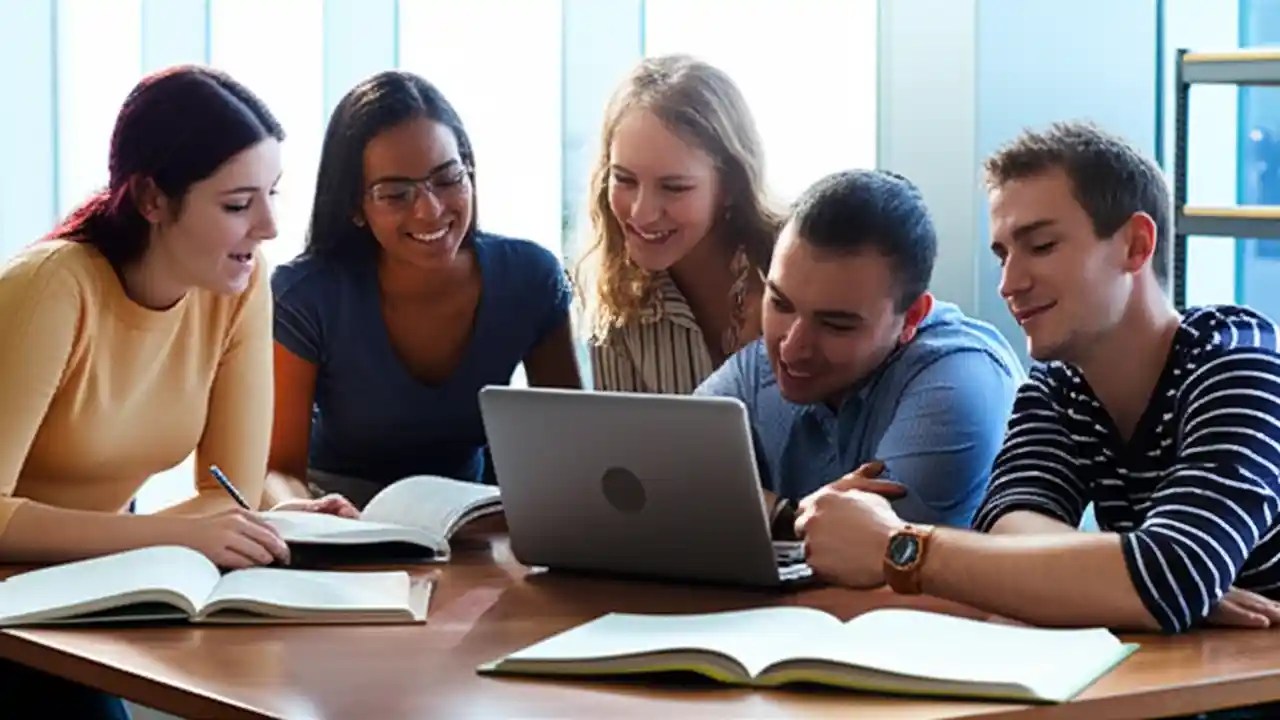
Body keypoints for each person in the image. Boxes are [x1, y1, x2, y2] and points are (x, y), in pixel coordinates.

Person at [794, 121, 1280, 637]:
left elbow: (1166, 577)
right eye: (1004, 254)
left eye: (1041, 246)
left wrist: (897, 547)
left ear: (1136, 246)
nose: (1009, 283)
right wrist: (1136, 581)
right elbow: (1005, 530)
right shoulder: (1059, 385)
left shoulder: (1240, 365)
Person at [0, 65, 347, 719]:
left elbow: (228, 493)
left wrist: (268, 524)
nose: (269, 225)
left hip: (71, 604)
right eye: (238, 204)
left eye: (272, 193)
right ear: (152, 200)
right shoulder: (52, 288)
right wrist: (167, 537)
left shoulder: (235, 287)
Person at [268, 71, 581, 509]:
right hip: (339, 517)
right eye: (396, 194)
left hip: (471, 519)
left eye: (448, 178)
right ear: (356, 207)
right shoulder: (304, 295)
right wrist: (310, 516)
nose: (430, 210)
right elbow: (278, 470)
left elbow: (572, 447)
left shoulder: (530, 278)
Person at [696, 170, 1023, 528]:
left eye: (835, 324)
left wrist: (764, 511)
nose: (791, 347)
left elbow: (864, 547)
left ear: (912, 316)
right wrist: (788, 515)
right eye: (780, 304)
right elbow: (664, 478)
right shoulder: (759, 366)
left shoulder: (961, 382)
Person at [575, 54, 785, 394]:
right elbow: (622, 444)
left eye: (674, 188)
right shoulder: (616, 297)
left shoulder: (794, 266)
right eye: (624, 180)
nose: (641, 213)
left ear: (731, 185)